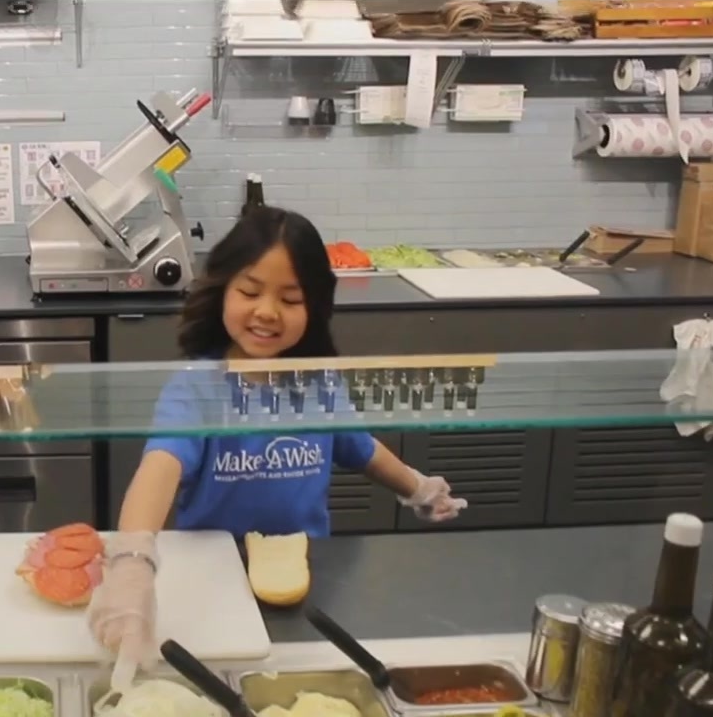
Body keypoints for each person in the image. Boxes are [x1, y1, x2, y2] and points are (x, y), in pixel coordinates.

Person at [86, 205, 468, 676]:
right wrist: (131, 560)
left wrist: (417, 488)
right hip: (211, 577)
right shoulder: (198, 387)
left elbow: (360, 447)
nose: (267, 312)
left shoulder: (318, 383)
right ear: (223, 289)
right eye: (250, 291)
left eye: (290, 299)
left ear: (315, 306)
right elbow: (160, 466)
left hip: (304, 581)